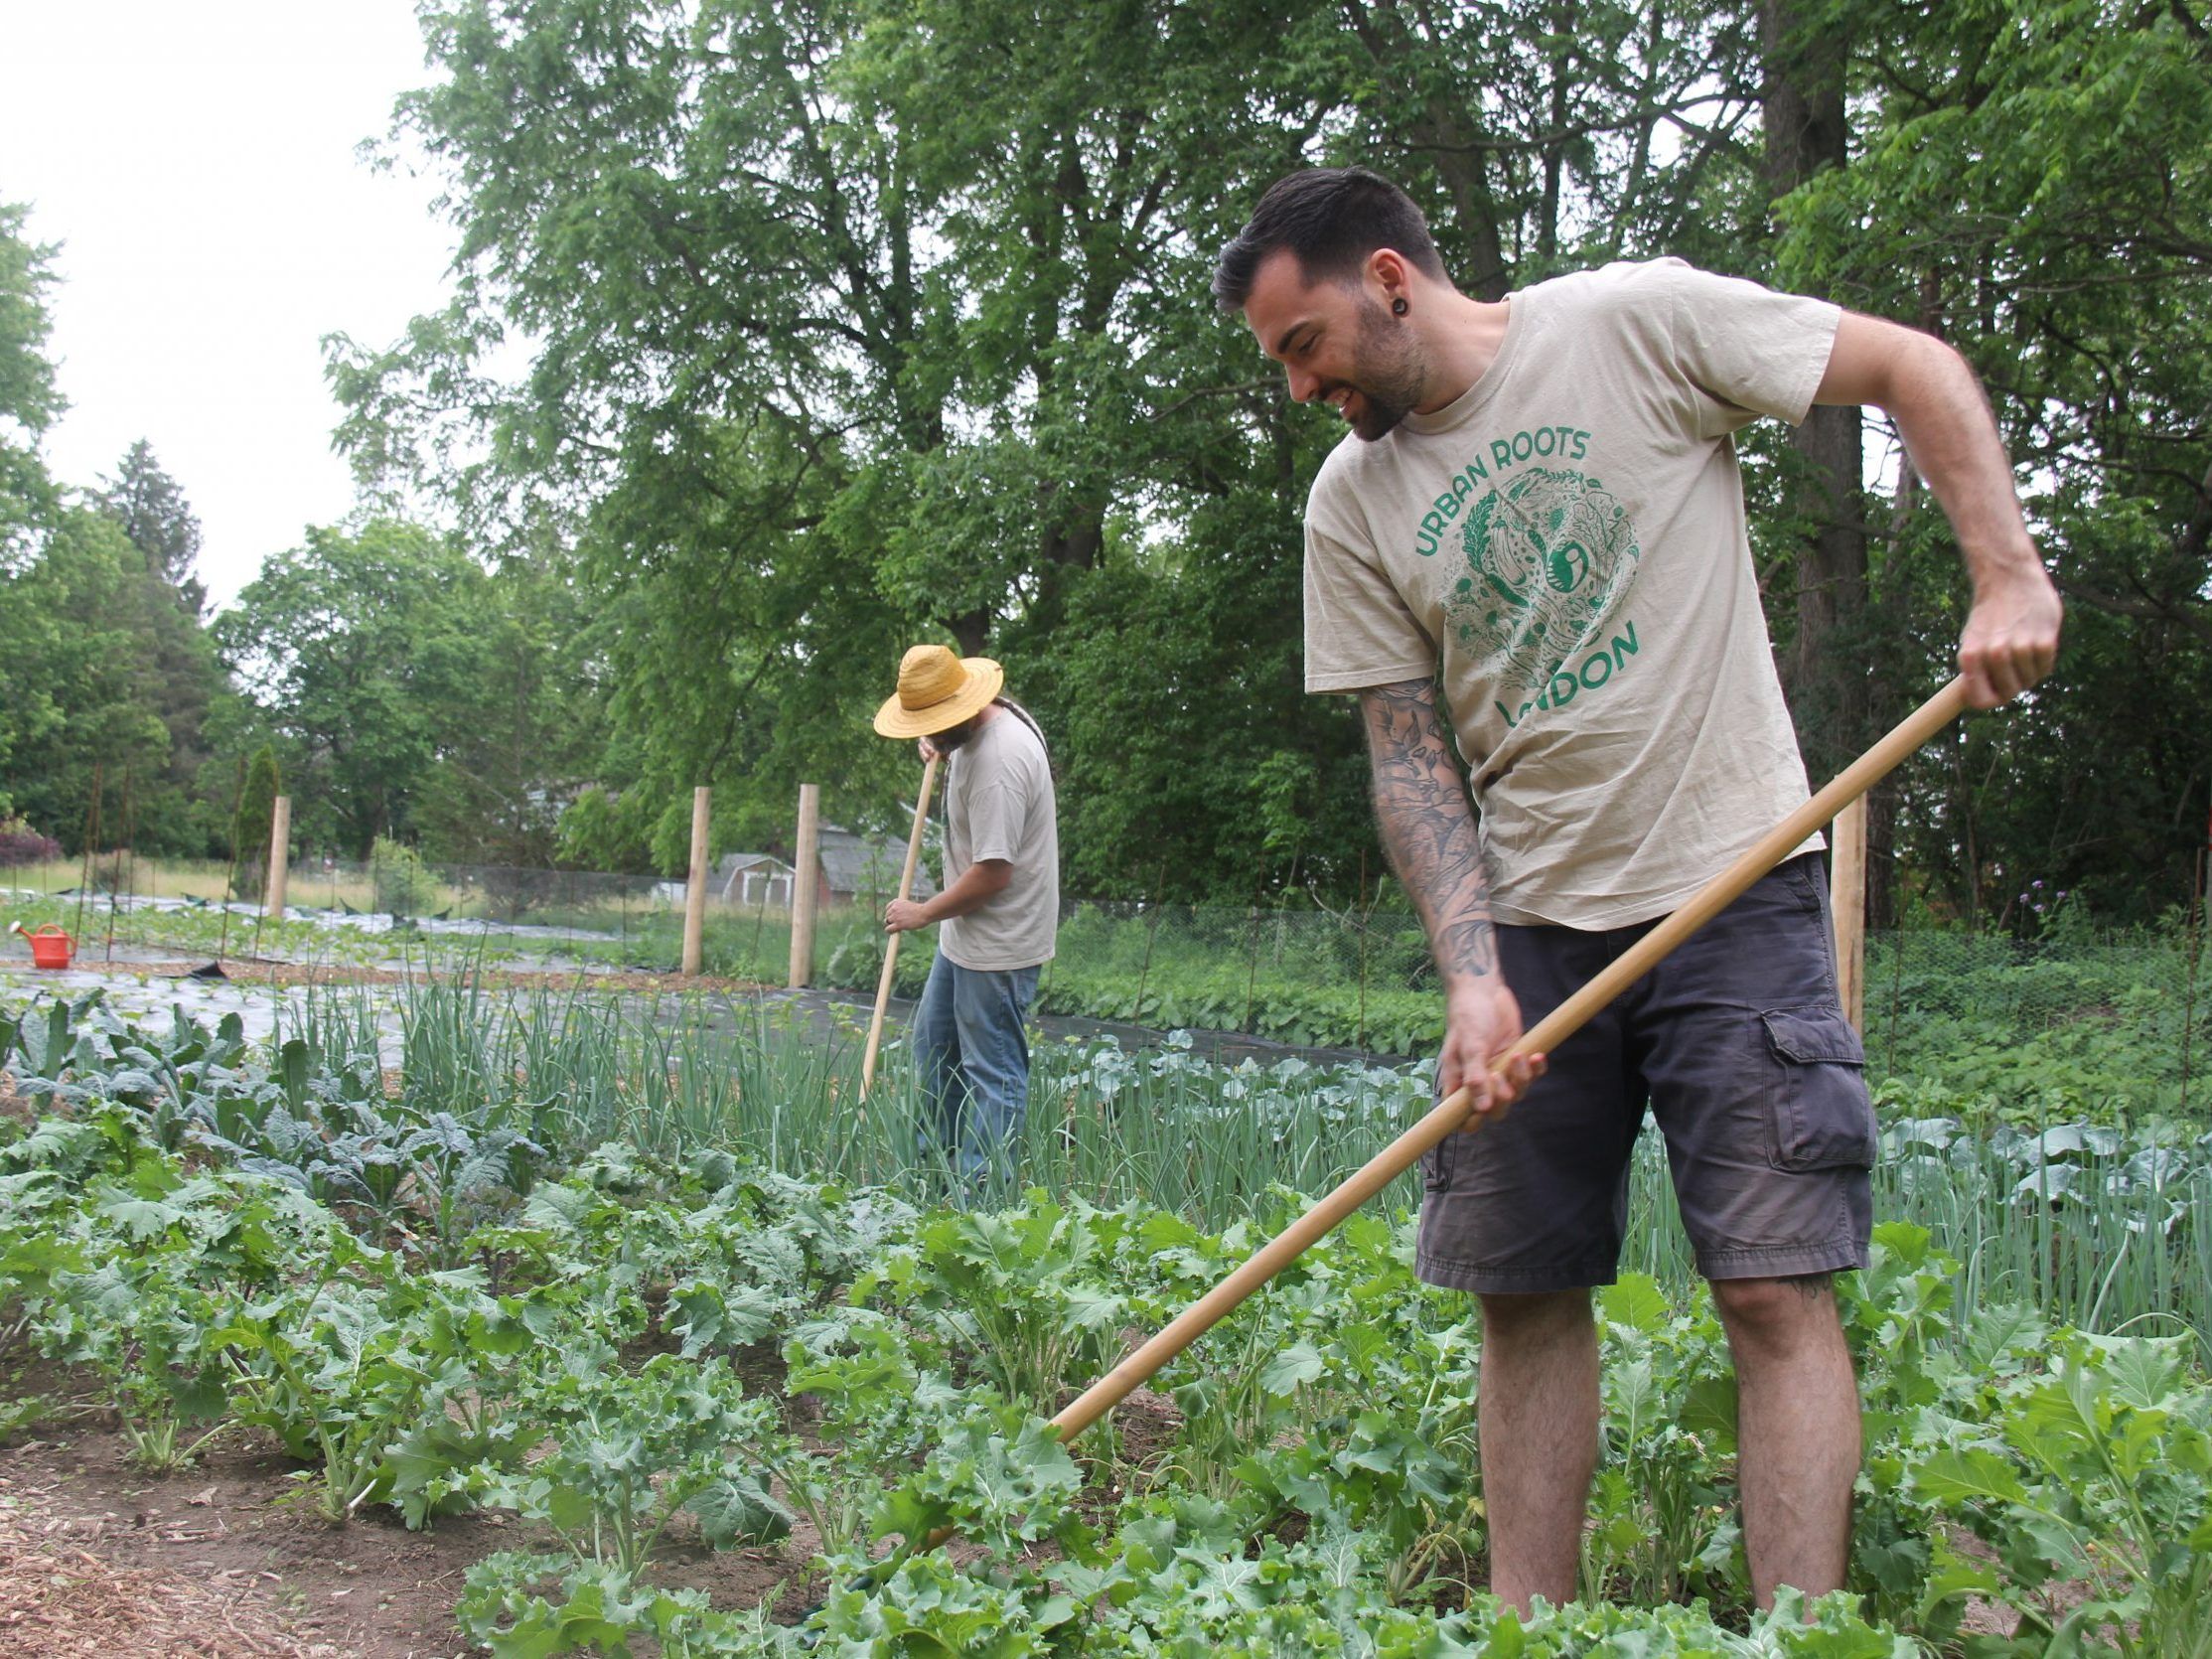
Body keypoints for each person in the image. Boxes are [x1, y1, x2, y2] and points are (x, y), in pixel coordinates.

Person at [1211, 167, 2060, 1613]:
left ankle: (1798, 1641)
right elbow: (1407, 760)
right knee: (1521, 1292)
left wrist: (2004, 573)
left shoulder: (1636, 324)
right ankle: (1523, 1634)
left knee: (1769, 1285)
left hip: (1731, 886)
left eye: (1303, 344)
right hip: (1532, 925)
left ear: (1388, 281)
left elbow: (1904, 364)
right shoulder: (1349, 504)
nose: (1299, 387)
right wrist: (1470, 971)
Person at [873, 643, 1060, 1185]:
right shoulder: (983, 727)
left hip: (999, 943)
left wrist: (922, 912)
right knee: (934, 1050)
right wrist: (943, 742)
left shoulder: (999, 764)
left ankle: (981, 1203)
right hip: (966, 936)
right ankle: (935, 1176)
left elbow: (993, 874)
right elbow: (960, 741)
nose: (927, 733)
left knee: (991, 1074)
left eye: (934, 722)